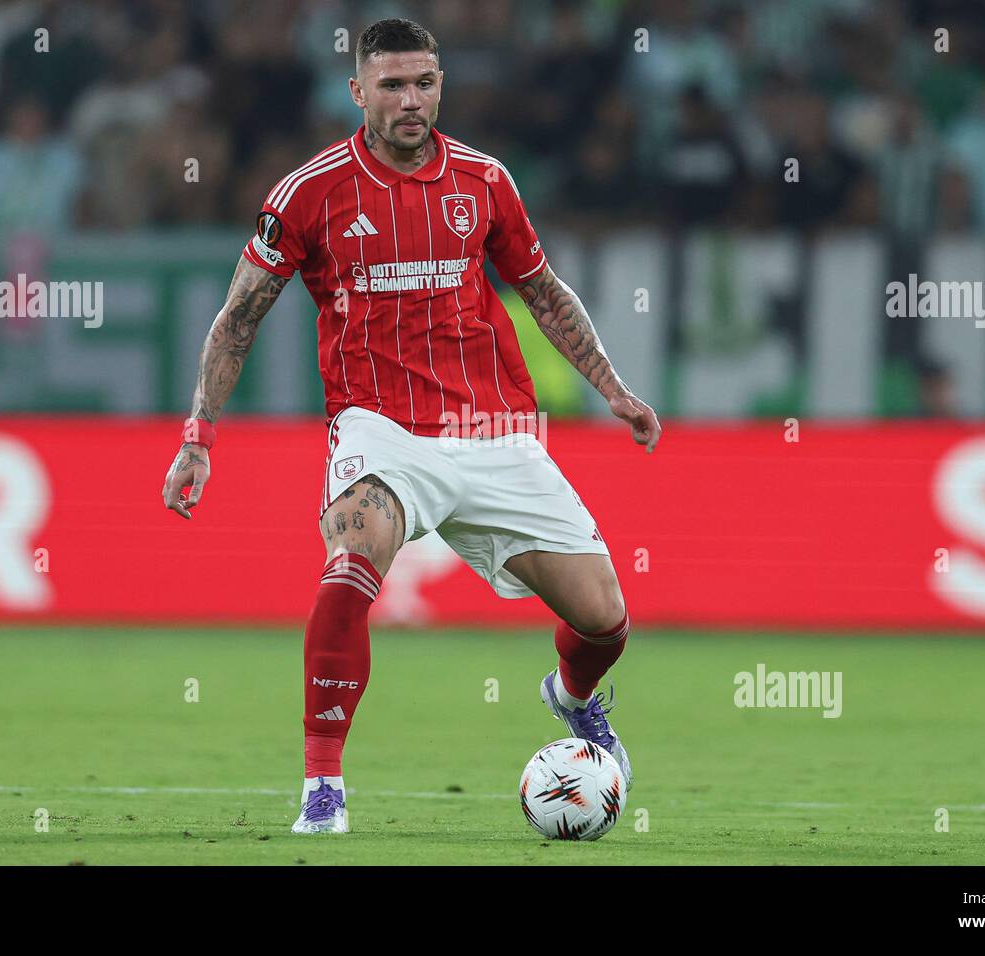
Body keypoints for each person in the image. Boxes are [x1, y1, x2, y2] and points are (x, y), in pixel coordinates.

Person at [160, 18, 661, 834]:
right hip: (381, 430)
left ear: (440, 87)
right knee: (353, 553)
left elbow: (542, 290)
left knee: (605, 619)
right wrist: (198, 439)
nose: (410, 100)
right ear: (357, 92)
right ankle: (324, 785)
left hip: (491, 430)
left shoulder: (484, 181)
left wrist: (613, 387)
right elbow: (236, 319)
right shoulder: (308, 194)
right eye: (391, 85)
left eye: (423, 83)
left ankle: (571, 698)